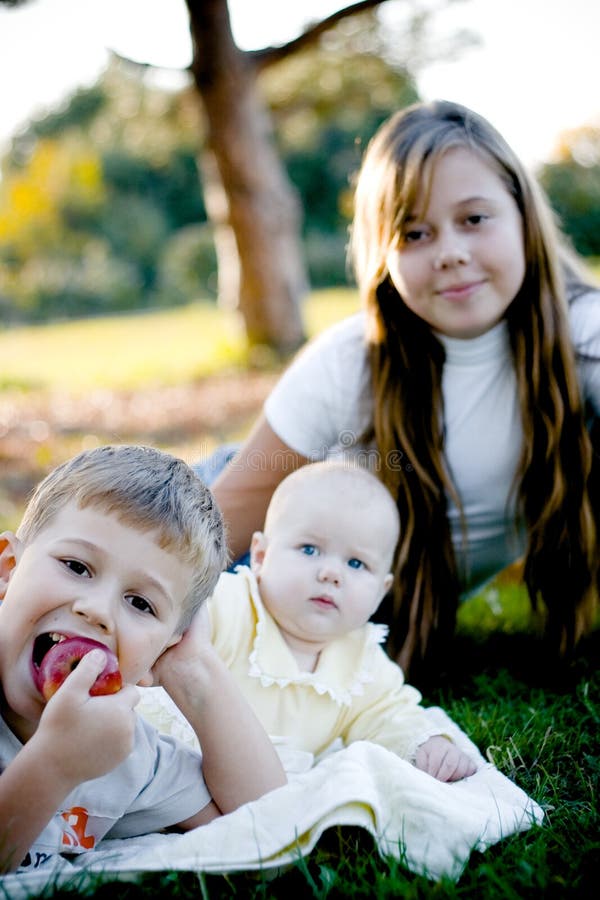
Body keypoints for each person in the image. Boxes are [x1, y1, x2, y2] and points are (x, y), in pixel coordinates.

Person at [209, 99, 600, 678]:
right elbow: (212, 530)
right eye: (414, 232)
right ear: (384, 255)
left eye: (474, 219)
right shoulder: (351, 363)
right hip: (260, 537)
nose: (450, 253)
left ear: (523, 216)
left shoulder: (584, 335)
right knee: (117, 549)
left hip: (351, 596)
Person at [0, 445, 286, 875]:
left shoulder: (126, 751)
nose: (96, 610)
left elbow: (273, 830)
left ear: (166, 647)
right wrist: (54, 766)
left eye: (140, 603)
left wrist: (195, 671)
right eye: (77, 567)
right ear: (7, 568)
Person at [138, 462, 478, 783]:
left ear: (381, 591)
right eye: (310, 550)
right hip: (157, 758)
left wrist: (424, 746)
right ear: (261, 556)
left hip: (243, 786)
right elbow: (162, 626)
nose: (330, 574)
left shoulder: (362, 663)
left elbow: (390, 715)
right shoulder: (228, 605)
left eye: (356, 564)